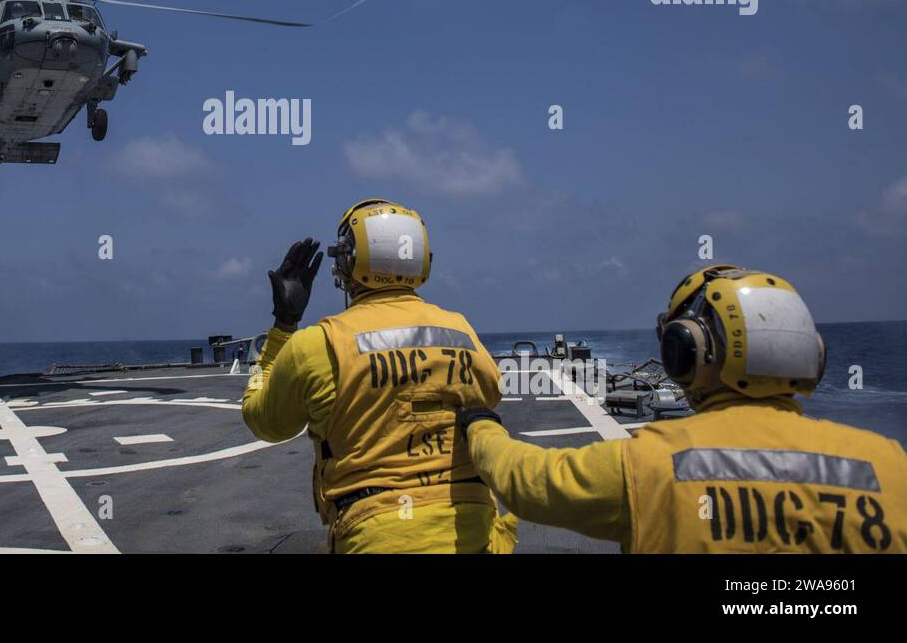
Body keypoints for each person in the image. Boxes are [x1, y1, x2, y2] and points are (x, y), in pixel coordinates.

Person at [459, 264, 907, 552]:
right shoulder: (890, 466)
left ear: (684, 352)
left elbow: (527, 483)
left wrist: (481, 426)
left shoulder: (648, 465)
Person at [241, 199, 516, 553]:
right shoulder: (462, 331)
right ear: (423, 261)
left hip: (377, 535)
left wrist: (283, 327)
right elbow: (491, 392)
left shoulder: (317, 345)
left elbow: (265, 421)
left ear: (347, 262)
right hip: (473, 531)